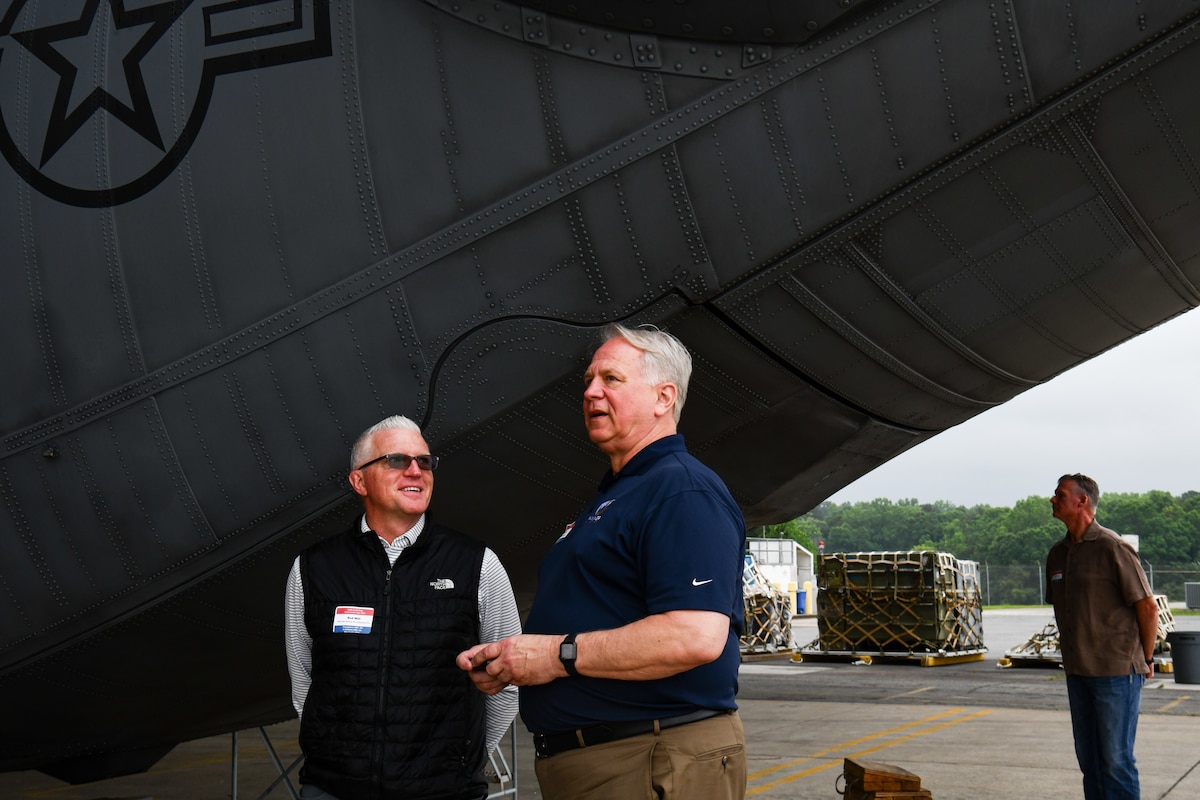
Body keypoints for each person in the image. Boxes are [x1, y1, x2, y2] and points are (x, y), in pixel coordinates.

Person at [457, 323, 748, 800]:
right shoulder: (623, 492)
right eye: (589, 380)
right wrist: (516, 660)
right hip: (608, 761)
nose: (591, 392)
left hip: (648, 758)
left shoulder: (681, 489)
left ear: (663, 397)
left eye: (611, 379)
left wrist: (554, 656)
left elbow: (693, 636)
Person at [284, 415, 521, 800]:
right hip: (334, 790)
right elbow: (304, 684)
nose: (415, 470)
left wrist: (460, 762)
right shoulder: (313, 568)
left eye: (424, 461)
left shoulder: (477, 564)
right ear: (359, 481)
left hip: (444, 793)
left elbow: (507, 683)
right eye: (396, 460)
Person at [1045, 473, 1159, 800]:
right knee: (1090, 762)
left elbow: (1148, 607)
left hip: (1116, 673)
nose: (1053, 499)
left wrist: (1146, 658)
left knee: (1115, 761)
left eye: (1060, 494)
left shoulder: (1113, 547)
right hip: (1078, 672)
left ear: (1083, 501)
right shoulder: (1057, 554)